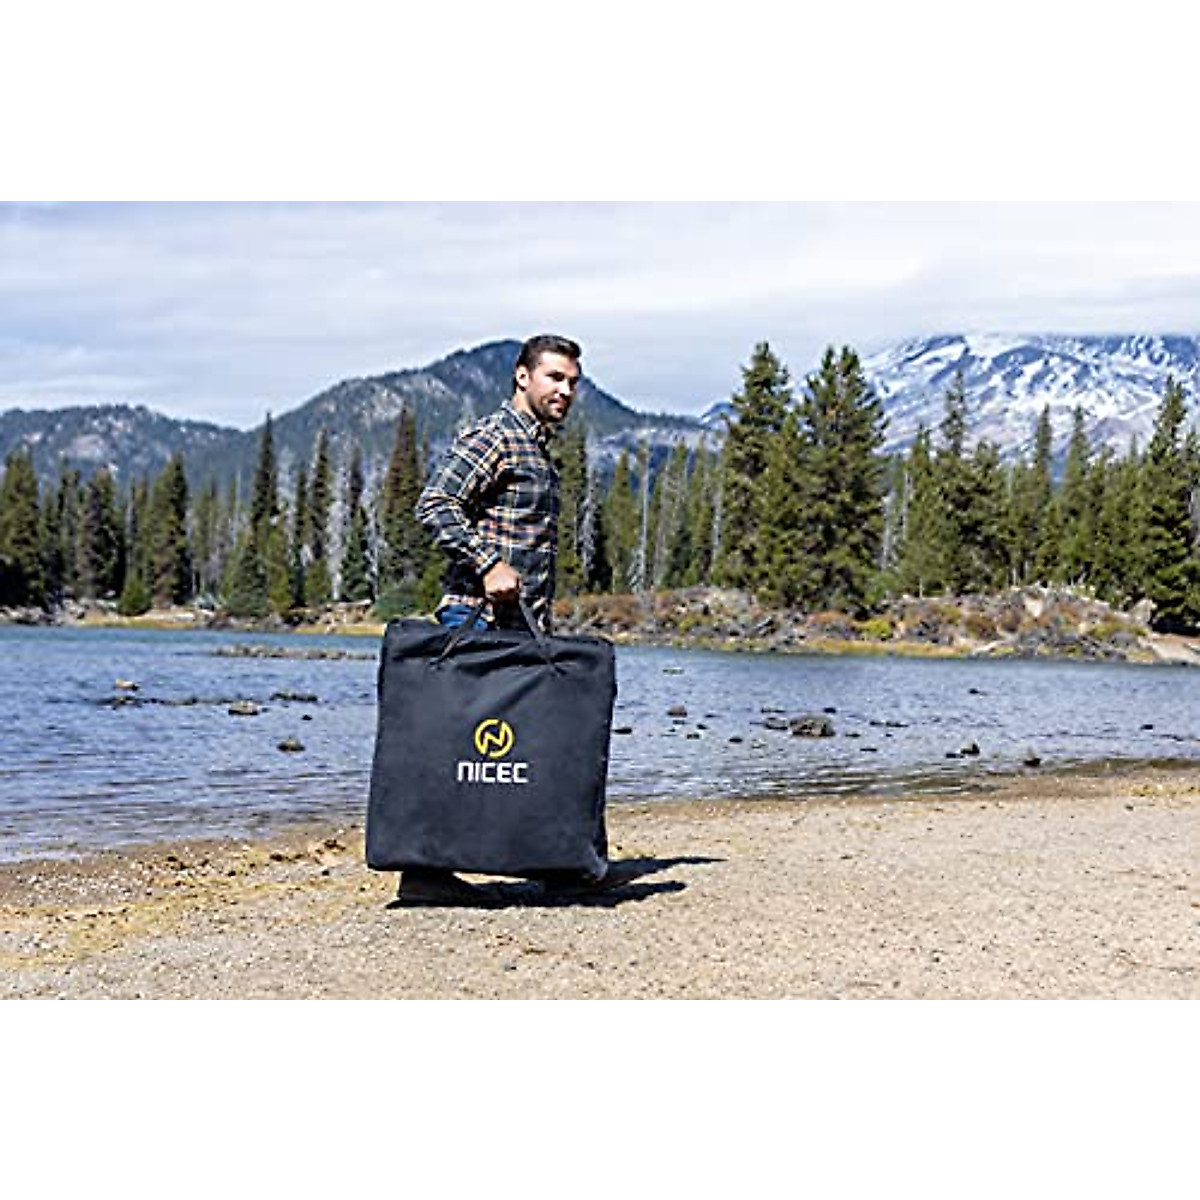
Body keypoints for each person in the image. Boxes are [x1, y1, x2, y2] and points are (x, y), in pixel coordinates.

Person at [403, 334, 632, 906]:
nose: (566, 391)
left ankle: (557, 862)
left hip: (521, 627)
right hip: (475, 618)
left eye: (573, 382)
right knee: (458, 752)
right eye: (555, 378)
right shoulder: (497, 436)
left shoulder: (537, 447)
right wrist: (487, 562)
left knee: (526, 749)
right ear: (522, 377)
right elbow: (435, 504)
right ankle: (424, 872)